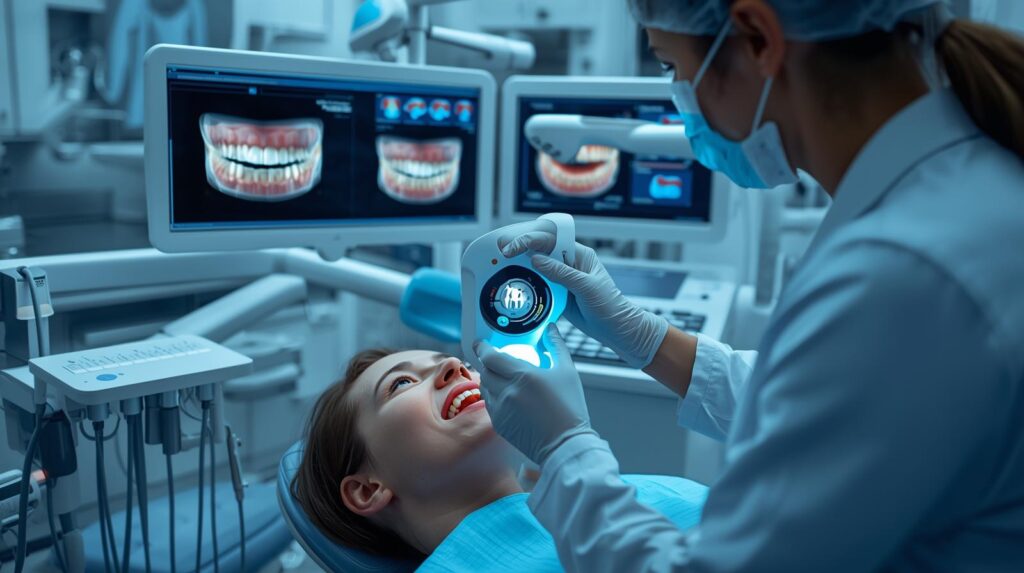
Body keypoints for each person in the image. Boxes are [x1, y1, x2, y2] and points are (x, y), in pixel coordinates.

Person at [470, 1, 1024, 571]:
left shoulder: (902, 273)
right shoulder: (963, 188)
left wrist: (565, 454)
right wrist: (646, 338)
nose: (679, 93)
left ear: (759, 37)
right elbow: (837, 401)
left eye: (669, 66)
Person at [290, 348, 707, 571]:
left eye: (452, 361)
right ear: (368, 489)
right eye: (401, 383)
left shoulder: (620, 492)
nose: (457, 365)